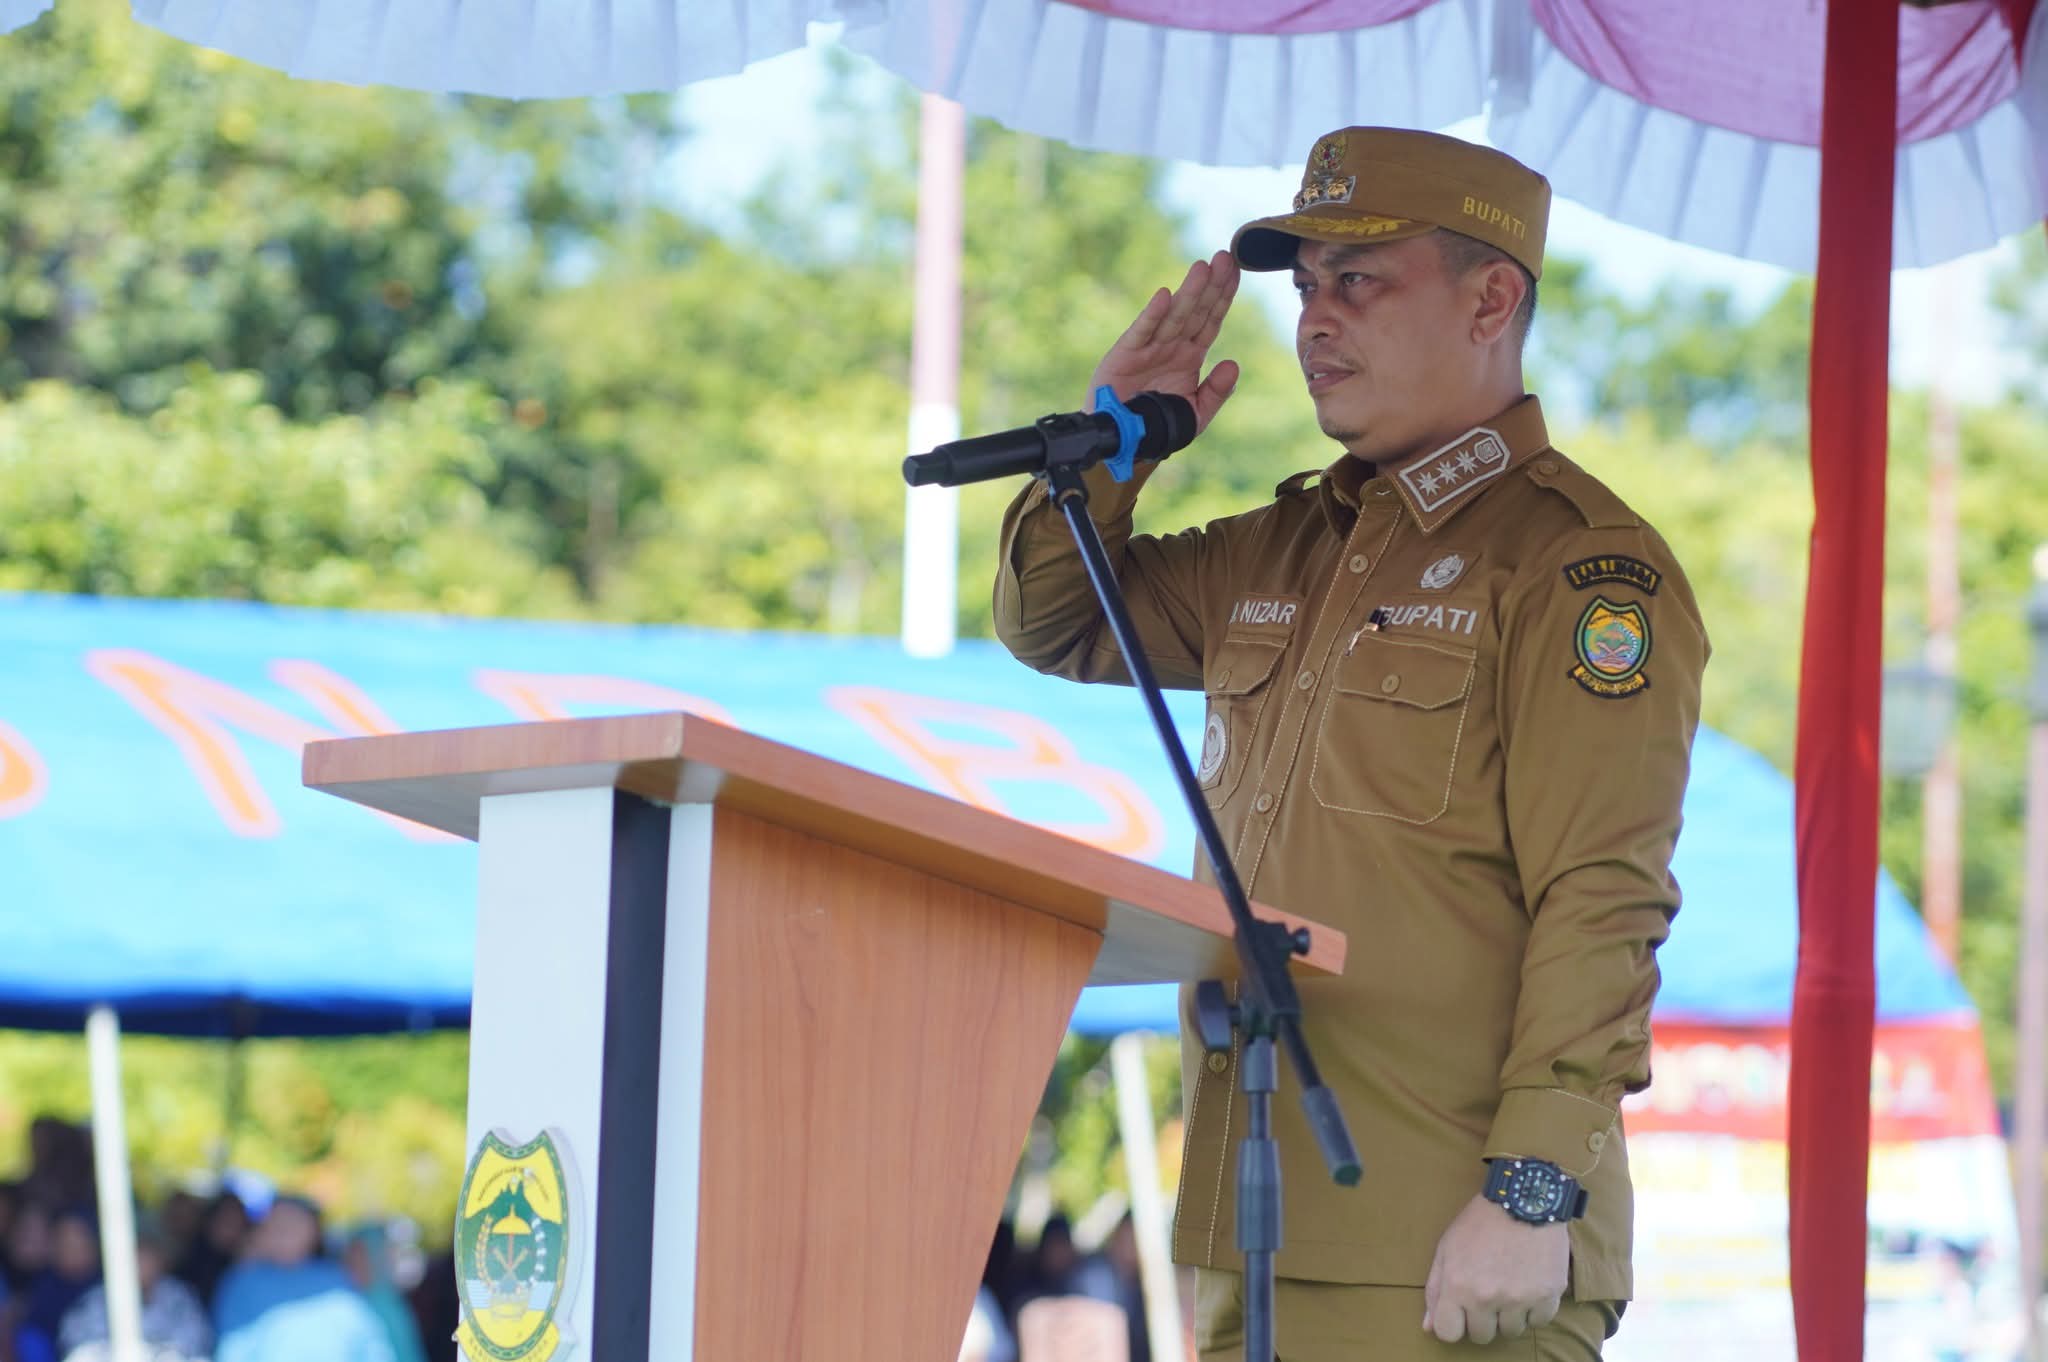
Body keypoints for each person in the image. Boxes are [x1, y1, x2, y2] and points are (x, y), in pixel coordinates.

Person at [993, 126, 1709, 1360]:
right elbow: (1054, 621)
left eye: (1358, 282)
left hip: (1445, 1251)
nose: (1313, 321)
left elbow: (1602, 898)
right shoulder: (1271, 552)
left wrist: (1529, 1192)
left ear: (1491, 299)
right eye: (1304, 287)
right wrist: (1114, 446)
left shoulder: (1579, 568)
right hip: (1244, 1240)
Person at [212, 1195, 393, 1362]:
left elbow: (370, 1345)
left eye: (294, 1223)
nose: (284, 1232)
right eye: (277, 1224)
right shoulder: (242, 1282)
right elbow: (232, 1348)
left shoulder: (335, 1280)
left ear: (313, 1232)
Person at [55, 1214, 211, 1362]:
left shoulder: (181, 1298)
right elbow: (78, 1352)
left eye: (147, 1254)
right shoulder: (91, 1304)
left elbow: (196, 1346)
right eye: (134, 1253)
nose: (140, 1262)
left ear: (161, 1257)